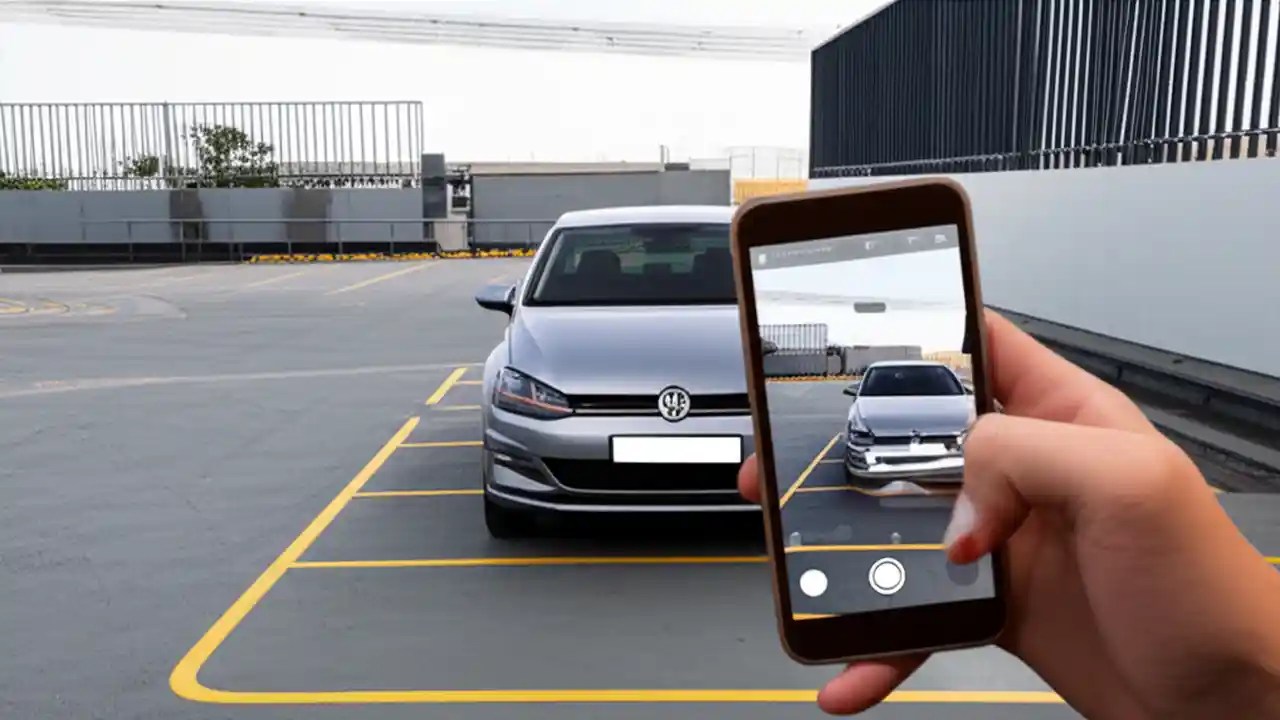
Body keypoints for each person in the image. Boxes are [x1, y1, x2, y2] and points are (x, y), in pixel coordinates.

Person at [737, 309, 1280, 718]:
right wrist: (1239, 696)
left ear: (967, 391)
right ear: (858, 394)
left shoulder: (955, 397)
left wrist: (1237, 690)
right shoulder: (868, 400)